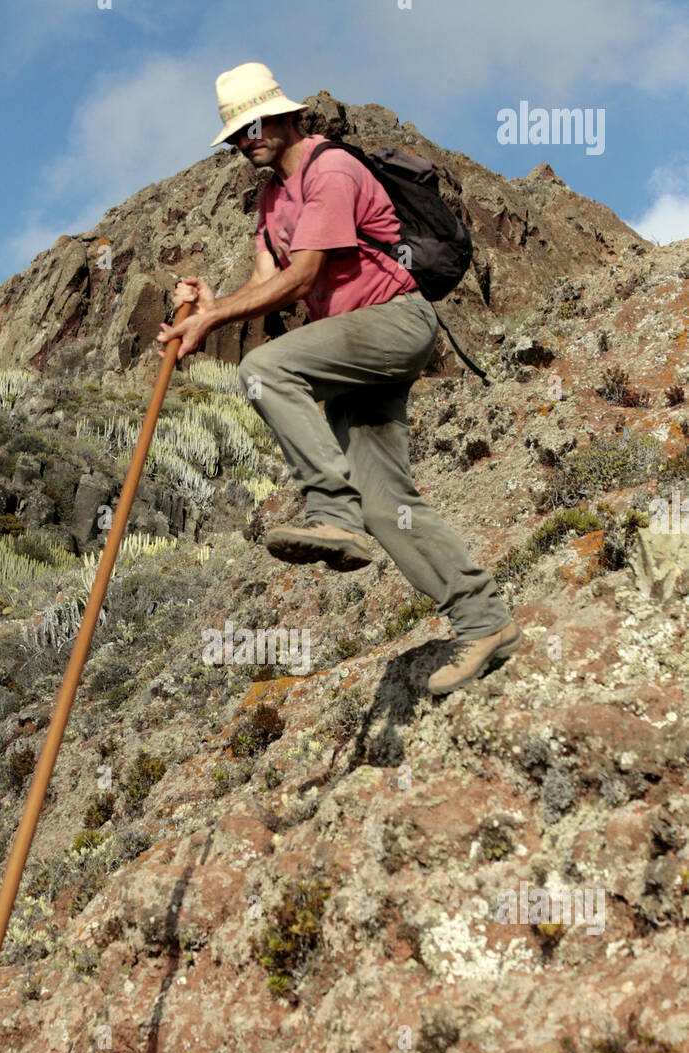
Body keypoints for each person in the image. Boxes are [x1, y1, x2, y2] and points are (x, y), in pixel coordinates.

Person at [157, 61, 522, 695]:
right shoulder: (272, 199)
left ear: (285, 114)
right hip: (356, 353)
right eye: (238, 133)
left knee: (265, 368)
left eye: (257, 123)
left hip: (395, 324)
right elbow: (266, 280)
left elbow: (301, 280)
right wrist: (208, 308)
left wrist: (215, 317)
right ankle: (483, 621)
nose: (249, 140)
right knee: (387, 507)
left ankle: (330, 512)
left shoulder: (330, 170)